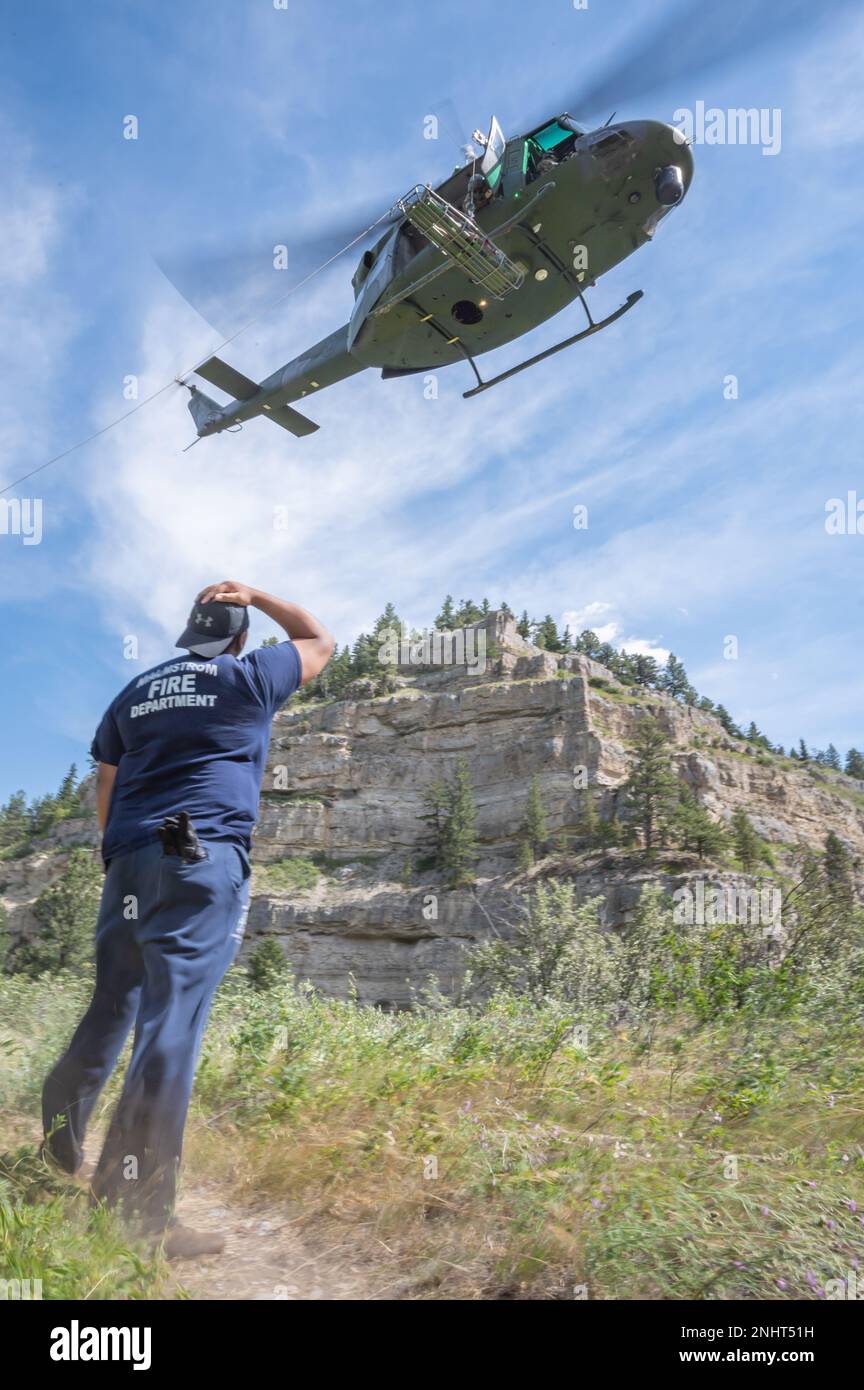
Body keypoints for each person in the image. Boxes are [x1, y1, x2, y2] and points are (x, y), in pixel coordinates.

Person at [41, 581, 334, 1259]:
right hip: (197, 858)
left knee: (114, 1000)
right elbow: (319, 641)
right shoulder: (250, 674)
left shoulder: (137, 691)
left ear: (187, 637)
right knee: (172, 1022)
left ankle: (62, 1116)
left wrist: (117, 849)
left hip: (131, 859)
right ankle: (133, 1217)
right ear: (237, 637)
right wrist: (257, 594)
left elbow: (106, 778)